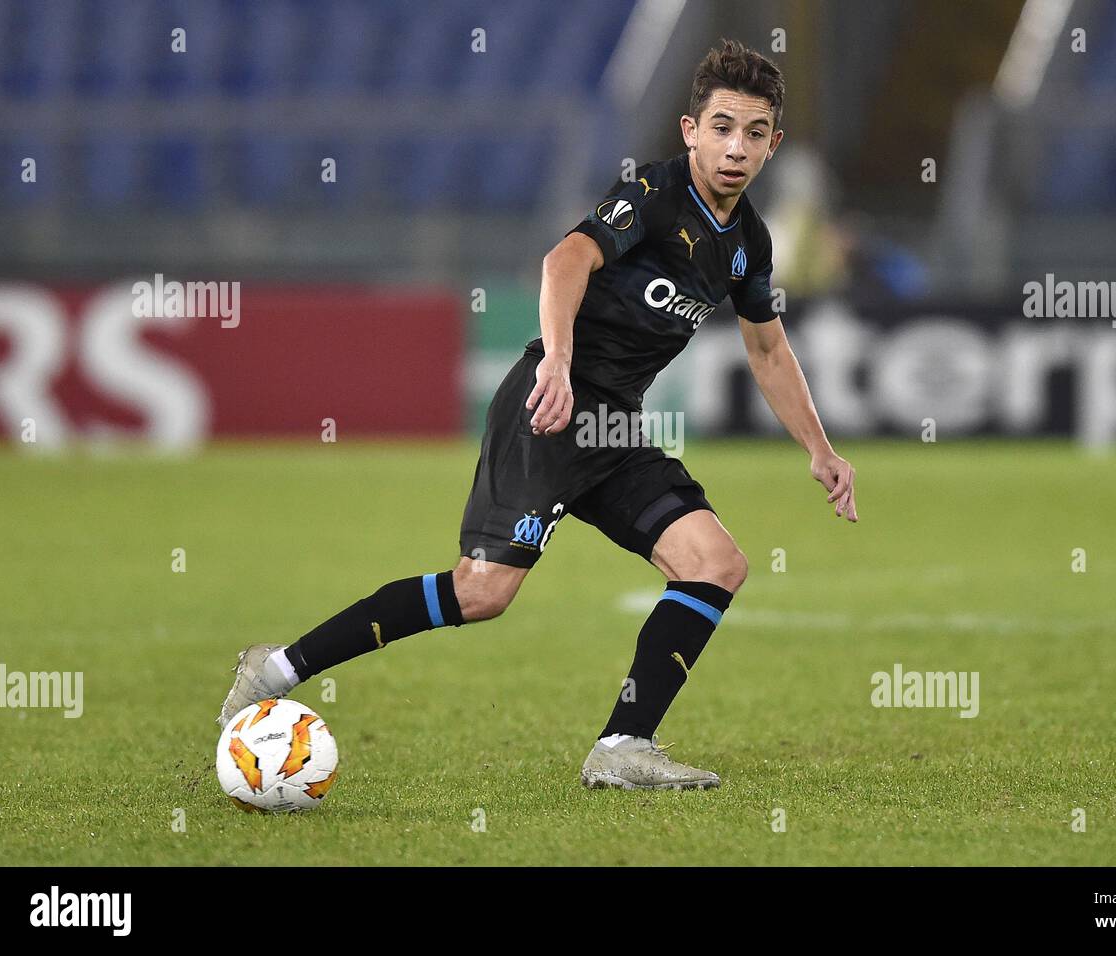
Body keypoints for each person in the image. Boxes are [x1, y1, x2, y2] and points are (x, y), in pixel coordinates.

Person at [218, 39, 858, 790]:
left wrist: (820, 449)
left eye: (753, 134)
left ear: (773, 144)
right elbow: (566, 261)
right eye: (721, 127)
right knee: (482, 593)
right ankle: (278, 668)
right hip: (547, 408)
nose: (735, 148)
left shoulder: (748, 242)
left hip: (612, 427)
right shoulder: (652, 194)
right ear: (690, 130)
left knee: (717, 565)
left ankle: (622, 748)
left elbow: (769, 350)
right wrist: (555, 359)